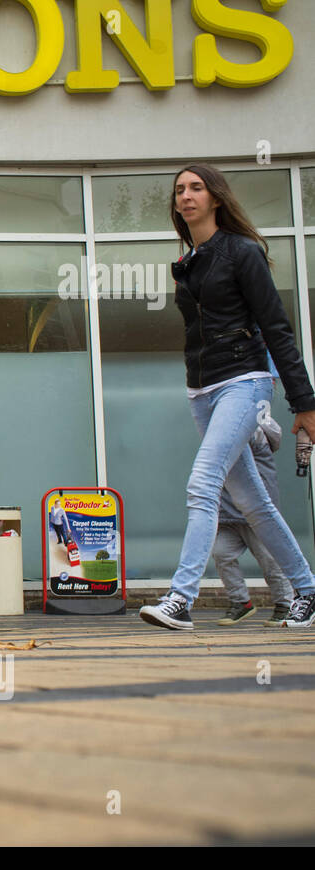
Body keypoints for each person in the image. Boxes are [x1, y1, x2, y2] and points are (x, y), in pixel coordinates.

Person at [139, 164, 315, 631]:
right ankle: (310, 591)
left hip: (244, 382)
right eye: (179, 189)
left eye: (196, 187)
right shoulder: (188, 262)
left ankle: (181, 598)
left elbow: (277, 328)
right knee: (254, 504)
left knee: (202, 484)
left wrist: (304, 402)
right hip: (202, 391)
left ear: (216, 197)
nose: (186, 195)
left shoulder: (242, 253)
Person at [213, 413, 293, 626]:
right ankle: (241, 603)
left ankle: (286, 605)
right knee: (221, 554)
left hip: (257, 515)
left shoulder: (257, 437)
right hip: (229, 516)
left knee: (270, 562)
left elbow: (244, 430)